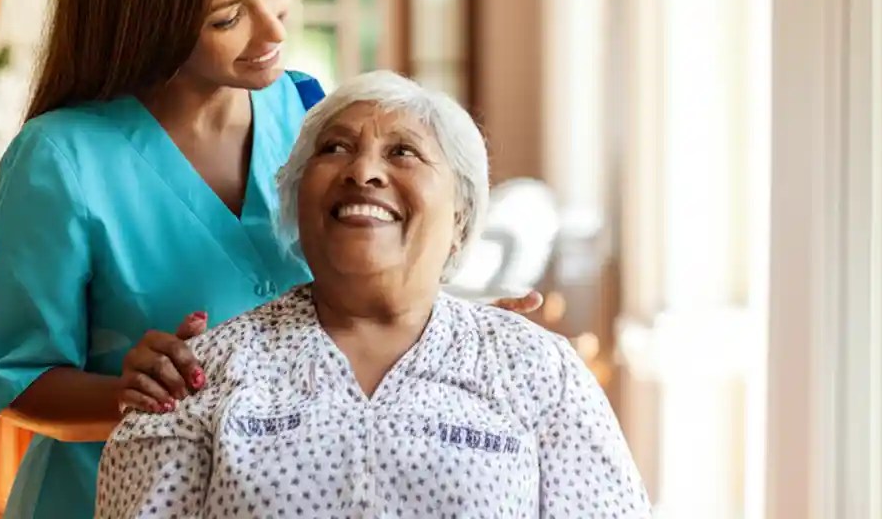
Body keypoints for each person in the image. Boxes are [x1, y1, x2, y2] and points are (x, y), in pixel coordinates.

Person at [0, 0, 539, 519]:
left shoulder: (308, 110)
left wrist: (455, 332)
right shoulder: (60, 160)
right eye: (227, 17)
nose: (274, 28)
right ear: (149, 21)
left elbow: (350, 303)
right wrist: (131, 392)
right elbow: (21, 383)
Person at [95, 71, 652, 518]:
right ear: (295, 203)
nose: (363, 172)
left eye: (403, 153)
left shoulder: (537, 371)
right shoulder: (203, 375)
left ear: (460, 215)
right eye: (335, 149)